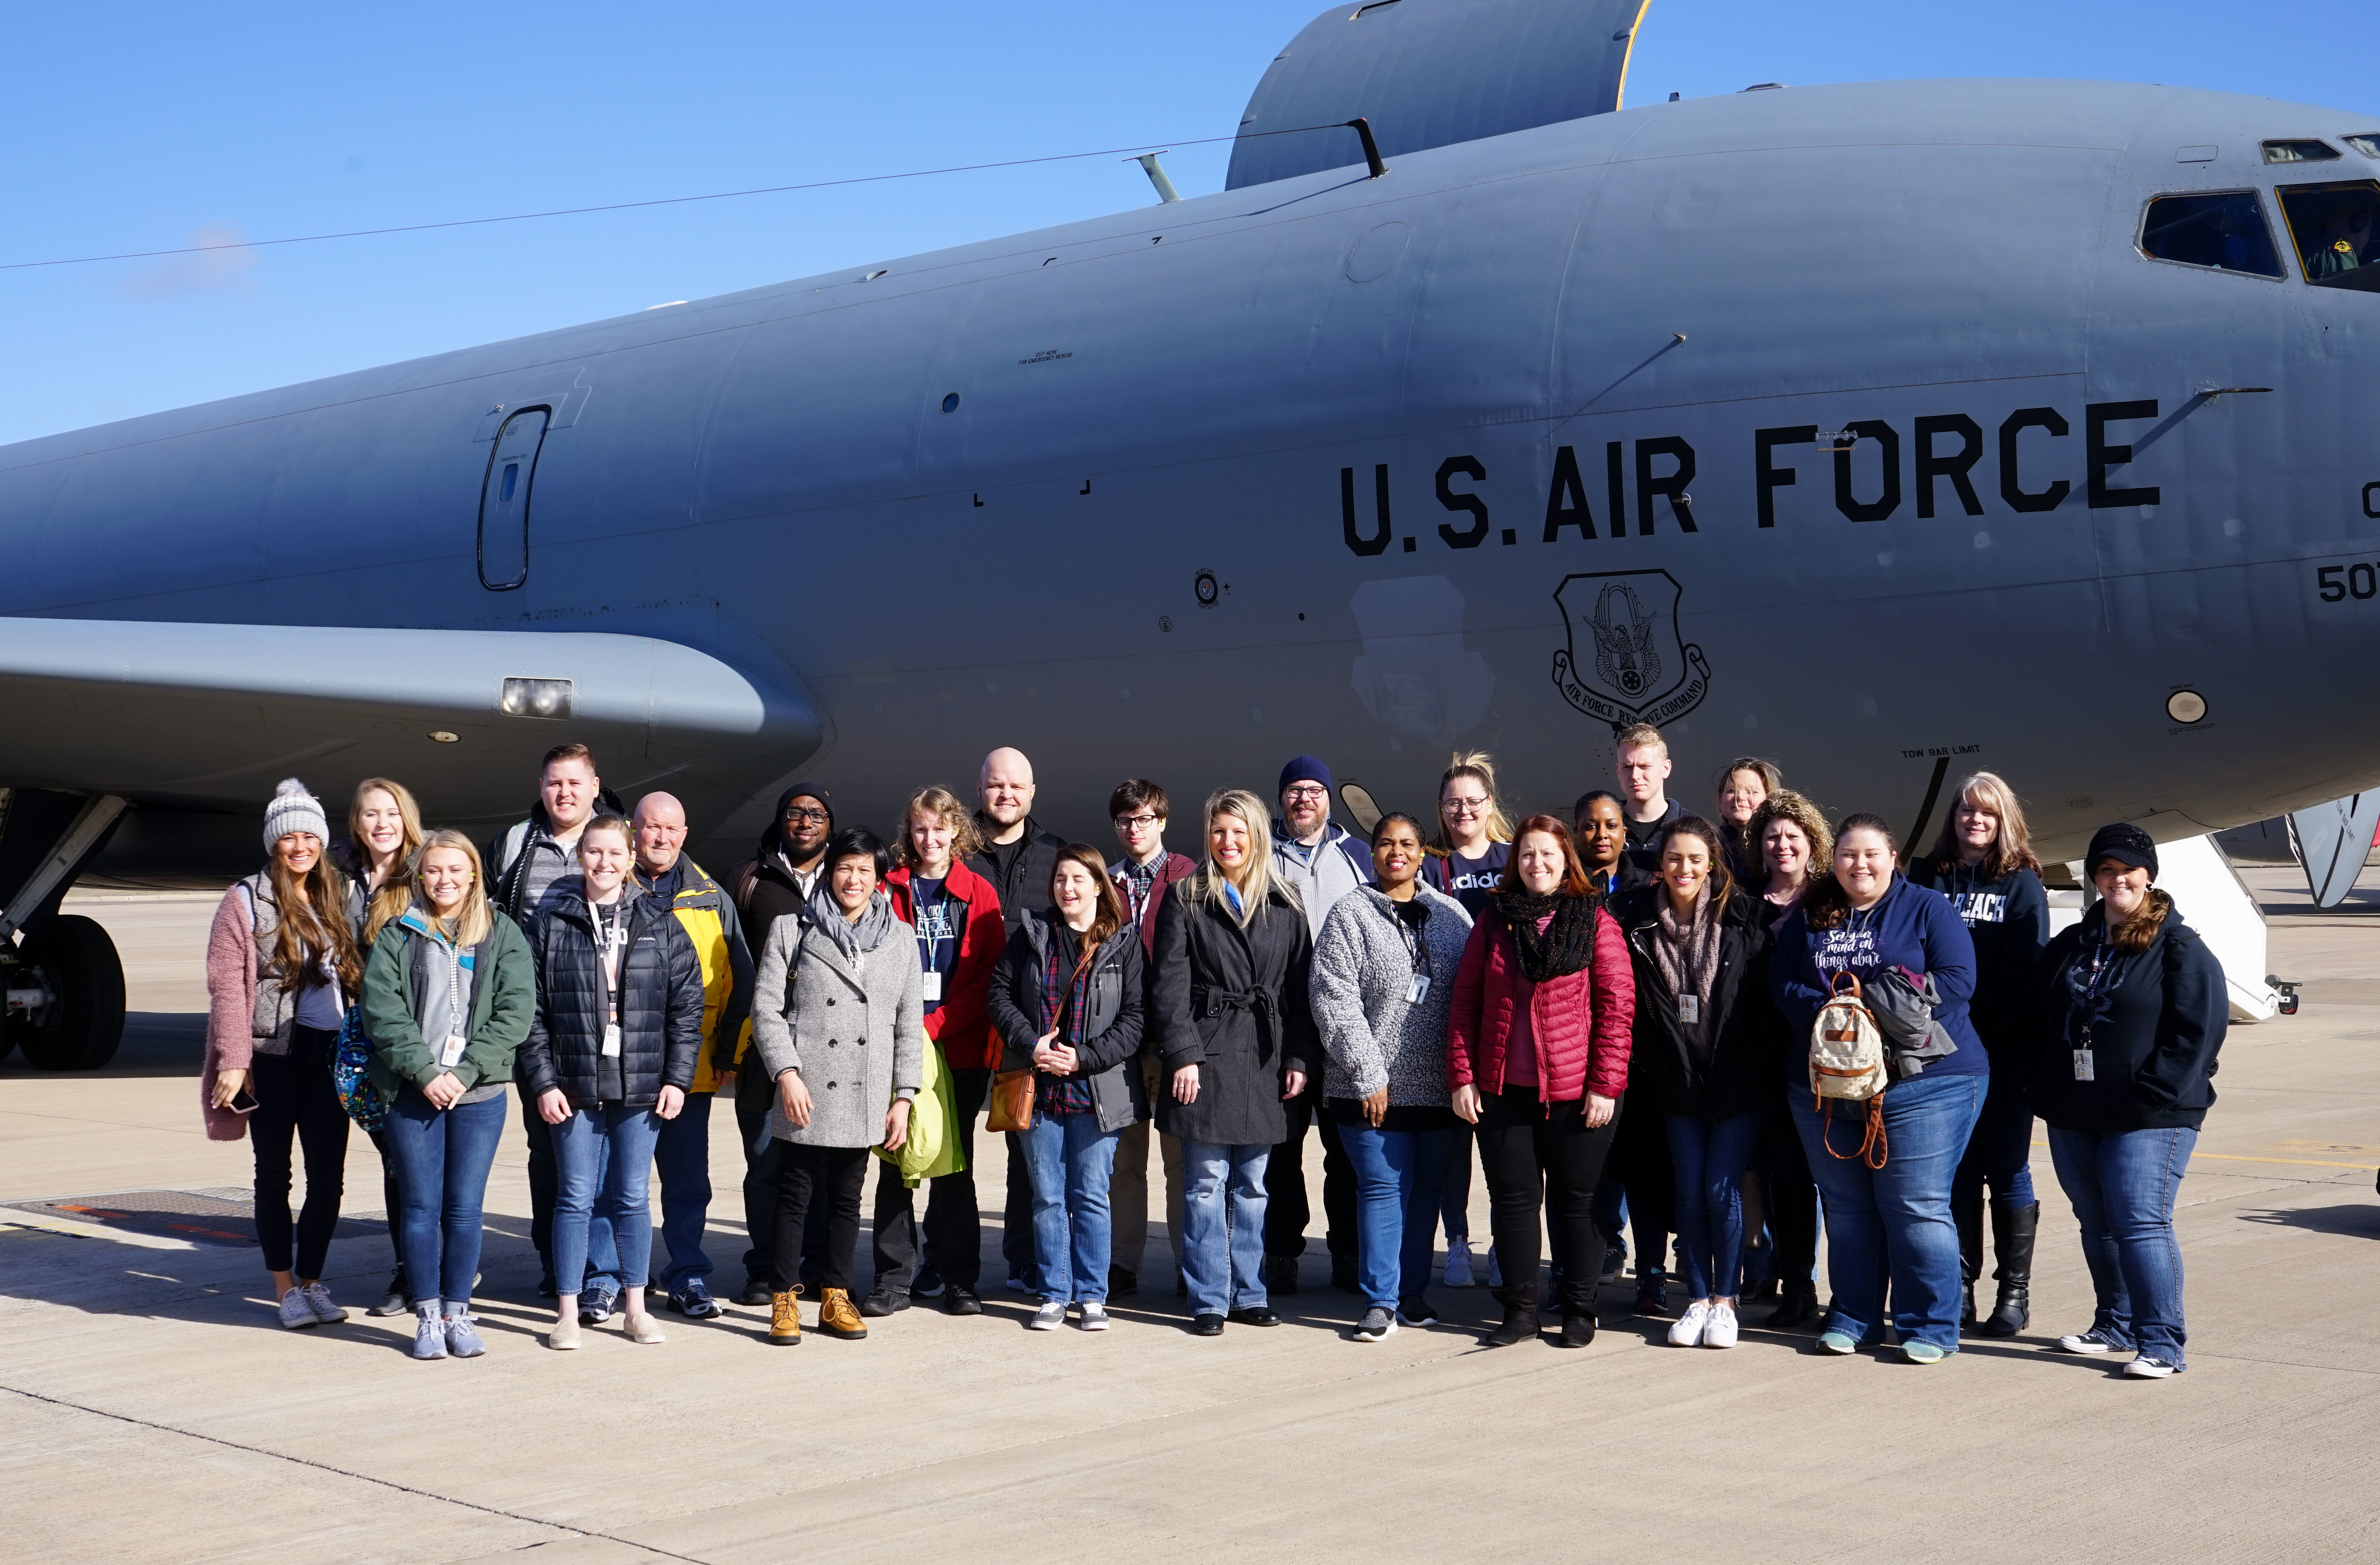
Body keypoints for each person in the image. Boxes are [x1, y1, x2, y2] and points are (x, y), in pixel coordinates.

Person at [1771, 813, 1986, 1363]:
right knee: (1845, 1207)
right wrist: (1827, 1009)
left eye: (1871, 853)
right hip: (1828, 1084)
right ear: (1833, 859)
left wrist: (1875, 1002)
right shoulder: (1814, 913)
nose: (1859, 864)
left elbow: (1960, 980)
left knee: (1914, 1205)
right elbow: (1781, 980)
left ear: (1893, 857)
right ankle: (1853, 1316)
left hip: (1924, 1082)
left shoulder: (1927, 908)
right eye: (1847, 854)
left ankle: (1931, 1326)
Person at [2033, 824, 2227, 1379]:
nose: (2116, 878)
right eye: (2105, 870)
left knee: (2139, 1220)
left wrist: (2155, 1094)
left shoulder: (2177, 946)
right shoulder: (2071, 945)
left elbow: (2199, 1031)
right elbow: (2034, 1017)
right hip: (2075, 1108)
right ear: (2093, 878)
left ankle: (2161, 1342)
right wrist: (2039, 1085)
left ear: (2148, 877)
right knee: (2094, 1220)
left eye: (2127, 870)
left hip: (2151, 1114)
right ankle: (2114, 1324)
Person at [1447, 816, 1634, 1349]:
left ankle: (1579, 1308)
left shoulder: (1595, 919)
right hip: (1505, 1090)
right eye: (1527, 854)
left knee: (1578, 1201)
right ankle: (1521, 1310)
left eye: (1548, 853)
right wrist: (1464, 1076)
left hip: (1579, 1093)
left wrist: (1605, 1084)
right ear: (1515, 861)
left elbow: (1618, 1009)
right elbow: (1465, 1003)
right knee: (1513, 1200)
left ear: (1565, 858)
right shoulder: (1494, 921)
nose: (1537, 864)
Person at [518, 815, 705, 1350]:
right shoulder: (552, 922)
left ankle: (636, 1307)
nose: (604, 863)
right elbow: (530, 1011)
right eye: (594, 853)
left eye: (614, 853)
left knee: (631, 1196)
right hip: (574, 1083)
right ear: (582, 857)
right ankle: (569, 1311)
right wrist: (544, 1081)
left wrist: (677, 1078)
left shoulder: (660, 921)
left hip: (643, 1082)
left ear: (631, 859)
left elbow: (686, 1009)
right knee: (575, 1196)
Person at [572, 792, 752, 1322]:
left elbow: (736, 981)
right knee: (610, 1182)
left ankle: (688, 1274)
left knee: (686, 1180)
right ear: (634, 832)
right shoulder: (604, 890)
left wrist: (727, 1053)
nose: (661, 838)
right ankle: (604, 1278)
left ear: (685, 833)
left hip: (687, 1069)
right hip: (614, 1071)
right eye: (652, 828)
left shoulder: (711, 898)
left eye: (672, 829)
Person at [1150, 788, 1321, 1336]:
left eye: (1238, 831)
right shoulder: (1186, 897)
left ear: (1257, 837)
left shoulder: (1286, 901)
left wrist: (1298, 1055)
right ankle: (1208, 1296)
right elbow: (1168, 987)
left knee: (1253, 1184)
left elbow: (1301, 990)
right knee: (1204, 1181)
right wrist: (1183, 1054)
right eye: (1219, 831)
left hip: (1265, 1057)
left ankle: (1250, 1291)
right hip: (1206, 1051)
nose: (1228, 841)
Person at [361, 831, 535, 1359]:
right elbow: (382, 1012)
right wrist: (424, 1072)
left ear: (475, 876)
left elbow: (516, 1012)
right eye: (434, 870)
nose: (445, 880)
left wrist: (464, 1073)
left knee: (464, 1209)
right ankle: (428, 1314)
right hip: (412, 1094)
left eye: (457, 870)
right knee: (419, 1207)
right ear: (421, 876)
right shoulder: (398, 934)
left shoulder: (502, 932)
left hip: (478, 1096)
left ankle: (459, 1310)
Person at [1611, 816, 1779, 1350]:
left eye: (1695, 859)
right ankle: (1698, 1298)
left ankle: (1726, 1300)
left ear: (1712, 865)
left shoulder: (1746, 919)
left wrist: (1747, 1067)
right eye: (1674, 858)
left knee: (1719, 1189)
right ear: (1659, 865)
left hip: (1736, 1084)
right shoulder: (1632, 920)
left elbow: (1762, 1009)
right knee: (1688, 1191)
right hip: (1676, 1082)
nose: (1684, 868)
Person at [752, 828, 925, 1345]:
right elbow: (766, 1008)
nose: (854, 878)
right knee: (795, 1194)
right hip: (806, 1085)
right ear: (831, 871)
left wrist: (904, 1095)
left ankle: (836, 1296)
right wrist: (786, 1072)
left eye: (864, 871)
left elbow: (908, 1023)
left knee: (849, 1198)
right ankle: (785, 1298)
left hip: (865, 1089)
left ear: (879, 880)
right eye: (845, 868)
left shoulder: (898, 938)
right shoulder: (794, 927)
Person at [202, 779, 363, 1329]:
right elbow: (227, 984)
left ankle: (313, 1279)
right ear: (274, 843)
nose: (301, 847)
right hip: (272, 1055)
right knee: (274, 1175)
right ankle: (283, 1287)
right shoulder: (244, 899)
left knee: (330, 1178)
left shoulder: (334, 894)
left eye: (310, 836)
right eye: (289, 837)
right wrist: (233, 1057)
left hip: (328, 1053)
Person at [1310, 812, 1474, 1341]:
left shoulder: (1451, 916)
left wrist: (1463, 1076)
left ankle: (1413, 1294)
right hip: (1370, 1088)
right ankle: (1380, 1300)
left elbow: (1471, 998)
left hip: (1439, 1088)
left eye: (1407, 843)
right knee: (1382, 1188)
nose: (1396, 852)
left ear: (1423, 852)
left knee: (1426, 1192)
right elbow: (1333, 998)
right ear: (1372, 852)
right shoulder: (1350, 914)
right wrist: (1367, 1072)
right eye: (1385, 843)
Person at [1908, 772, 2050, 1338]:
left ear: (2003, 820)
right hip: (1938, 1054)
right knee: (1957, 1174)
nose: (1974, 821)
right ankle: (1959, 1288)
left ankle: (2012, 1294)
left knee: (2008, 1169)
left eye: (1986, 813)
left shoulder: (2021, 885)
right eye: (1966, 810)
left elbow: (2028, 971)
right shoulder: (1927, 875)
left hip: (2003, 1052)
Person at [988, 846, 1147, 1330]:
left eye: (1079, 879)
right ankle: (1054, 1291)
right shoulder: (1034, 934)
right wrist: (1031, 1043)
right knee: (1048, 1196)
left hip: (1095, 1090)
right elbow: (999, 992)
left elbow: (1135, 1019)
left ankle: (1093, 1295)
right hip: (1040, 1088)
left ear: (1100, 885)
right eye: (1061, 878)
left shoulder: (1124, 942)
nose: (1068, 888)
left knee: (1092, 1194)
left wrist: (1084, 1056)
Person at [870, 785, 1006, 1317]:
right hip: (899, 1044)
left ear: (957, 832)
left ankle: (958, 1280)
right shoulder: (889, 888)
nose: (930, 838)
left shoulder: (980, 892)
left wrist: (936, 1023)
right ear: (911, 833)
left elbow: (987, 975)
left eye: (940, 828)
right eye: (921, 828)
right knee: (895, 1162)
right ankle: (893, 1280)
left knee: (955, 1168)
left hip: (959, 1045)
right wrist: (910, 1028)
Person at [488, 743, 608, 1298]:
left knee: (603, 1156)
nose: (564, 793)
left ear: (594, 786)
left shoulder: (613, 844)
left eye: (574, 783)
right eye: (554, 783)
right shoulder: (514, 845)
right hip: (535, 1025)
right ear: (541, 786)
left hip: (604, 1029)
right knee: (547, 1151)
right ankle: (555, 1260)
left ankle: (602, 1270)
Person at [723, 781, 834, 1304]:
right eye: (795, 813)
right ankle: (766, 1268)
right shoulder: (749, 879)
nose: (806, 822)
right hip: (763, 1050)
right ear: (780, 820)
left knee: (821, 1167)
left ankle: (815, 1268)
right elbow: (730, 968)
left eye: (816, 814)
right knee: (766, 1163)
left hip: (830, 1047)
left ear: (830, 824)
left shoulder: (849, 877)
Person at [1265, 755, 1372, 1295]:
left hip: (1345, 1029)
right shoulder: (1260, 858)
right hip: (1282, 1032)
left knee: (1346, 1152)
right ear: (1280, 798)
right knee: (1281, 1151)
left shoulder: (1359, 858)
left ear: (1329, 798)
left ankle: (1348, 1254)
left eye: (1313, 790)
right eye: (1294, 791)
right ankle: (1282, 1251)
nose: (1303, 799)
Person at [968, 748, 1065, 1293]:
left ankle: (1025, 1257)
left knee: (1025, 1143)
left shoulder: (1055, 854)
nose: (1006, 795)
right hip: (959, 1018)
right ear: (980, 788)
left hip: (1023, 1024)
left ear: (1032, 792)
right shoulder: (954, 850)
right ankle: (943, 1258)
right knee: (946, 1143)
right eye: (995, 785)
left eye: (1016, 786)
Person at [1738, 790, 1833, 1330]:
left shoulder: (1829, 900)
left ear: (1811, 841)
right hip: (1762, 1059)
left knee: (1826, 1179)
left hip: (1818, 1056)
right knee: (1783, 1174)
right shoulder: (1746, 901)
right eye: (1772, 835)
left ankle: (1837, 1288)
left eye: (1792, 835)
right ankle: (1795, 1287)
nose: (1782, 845)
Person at [333, 777, 424, 1318]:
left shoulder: (421, 874)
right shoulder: (341, 878)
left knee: (415, 1159)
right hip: (359, 1040)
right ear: (357, 824)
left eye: (391, 812)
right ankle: (409, 1263)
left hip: (413, 1038)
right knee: (396, 1159)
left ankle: (419, 1270)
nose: (382, 823)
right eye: (371, 814)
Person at [1418, 756, 1506, 1290]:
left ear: (1490, 804)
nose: (1464, 810)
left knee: (1503, 1146)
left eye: (1474, 800)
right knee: (1454, 1145)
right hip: (1447, 1022)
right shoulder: (1432, 866)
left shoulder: (1512, 858)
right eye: (1454, 802)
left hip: (1501, 1024)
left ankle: (1502, 1243)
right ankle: (1456, 1243)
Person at [1107, 778, 1196, 1296]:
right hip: (1120, 1044)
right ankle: (1124, 1263)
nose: (1133, 828)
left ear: (1161, 820)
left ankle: (1191, 1264)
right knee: (1124, 1160)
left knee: (1182, 1161)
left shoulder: (1186, 876)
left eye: (1142, 818)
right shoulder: (1108, 880)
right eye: (1124, 820)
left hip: (1169, 1041)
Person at [1614, 723, 1682, 874]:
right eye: (1627, 767)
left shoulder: (1694, 830)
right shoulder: (1604, 832)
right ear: (1618, 771)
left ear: (1666, 769)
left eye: (1644, 766)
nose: (1635, 776)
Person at [1713, 758, 1782, 887]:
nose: (1740, 797)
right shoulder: (1709, 848)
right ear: (1721, 799)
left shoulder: (1782, 845)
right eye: (1732, 791)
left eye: (1752, 792)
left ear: (1769, 798)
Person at [1574, 791, 1646, 900]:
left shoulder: (1649, 887)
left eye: (1611, 826)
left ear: (1624, 833)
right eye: (1591, 826)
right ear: (1576, 834)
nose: (1602, 834)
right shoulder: (1559, 886)